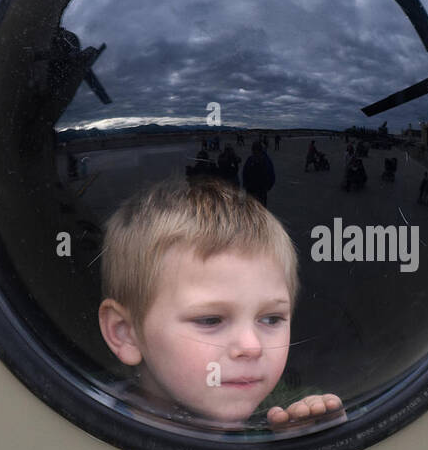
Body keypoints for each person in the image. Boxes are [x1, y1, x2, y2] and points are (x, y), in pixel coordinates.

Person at [97, 178, 341, 429]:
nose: (252, 347)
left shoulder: (290, 409)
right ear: (125, 333)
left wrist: (310, 442)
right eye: (210, 320)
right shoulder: (91, 429)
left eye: (271, 319)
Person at [242, 140, 276, 206]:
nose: (254, 152)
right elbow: (244, 173)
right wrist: (245, 185)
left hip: (261, 191)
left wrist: (266, 188)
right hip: (250, 189)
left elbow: (271, 176)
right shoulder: (250, 159)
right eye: (253, 150)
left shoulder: (265, 160)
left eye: (256, 150)